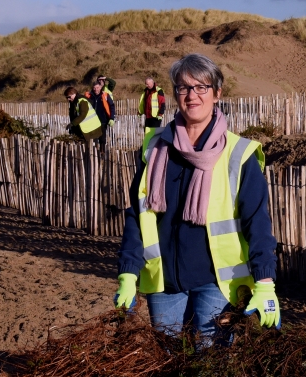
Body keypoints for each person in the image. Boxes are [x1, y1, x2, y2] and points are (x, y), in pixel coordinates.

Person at [114, 53, 279, 339]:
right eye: (184, 87)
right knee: (168, 361)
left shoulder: (239, 154)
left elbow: (257, 223)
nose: (192, 95)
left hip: (218, 284)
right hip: (164, 283)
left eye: (201, 87)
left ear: (217, 94)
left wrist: (265, 282)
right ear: (176, 94)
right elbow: (136, 215)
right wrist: (128, 272)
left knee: (209, 366)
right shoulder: (155, 149)